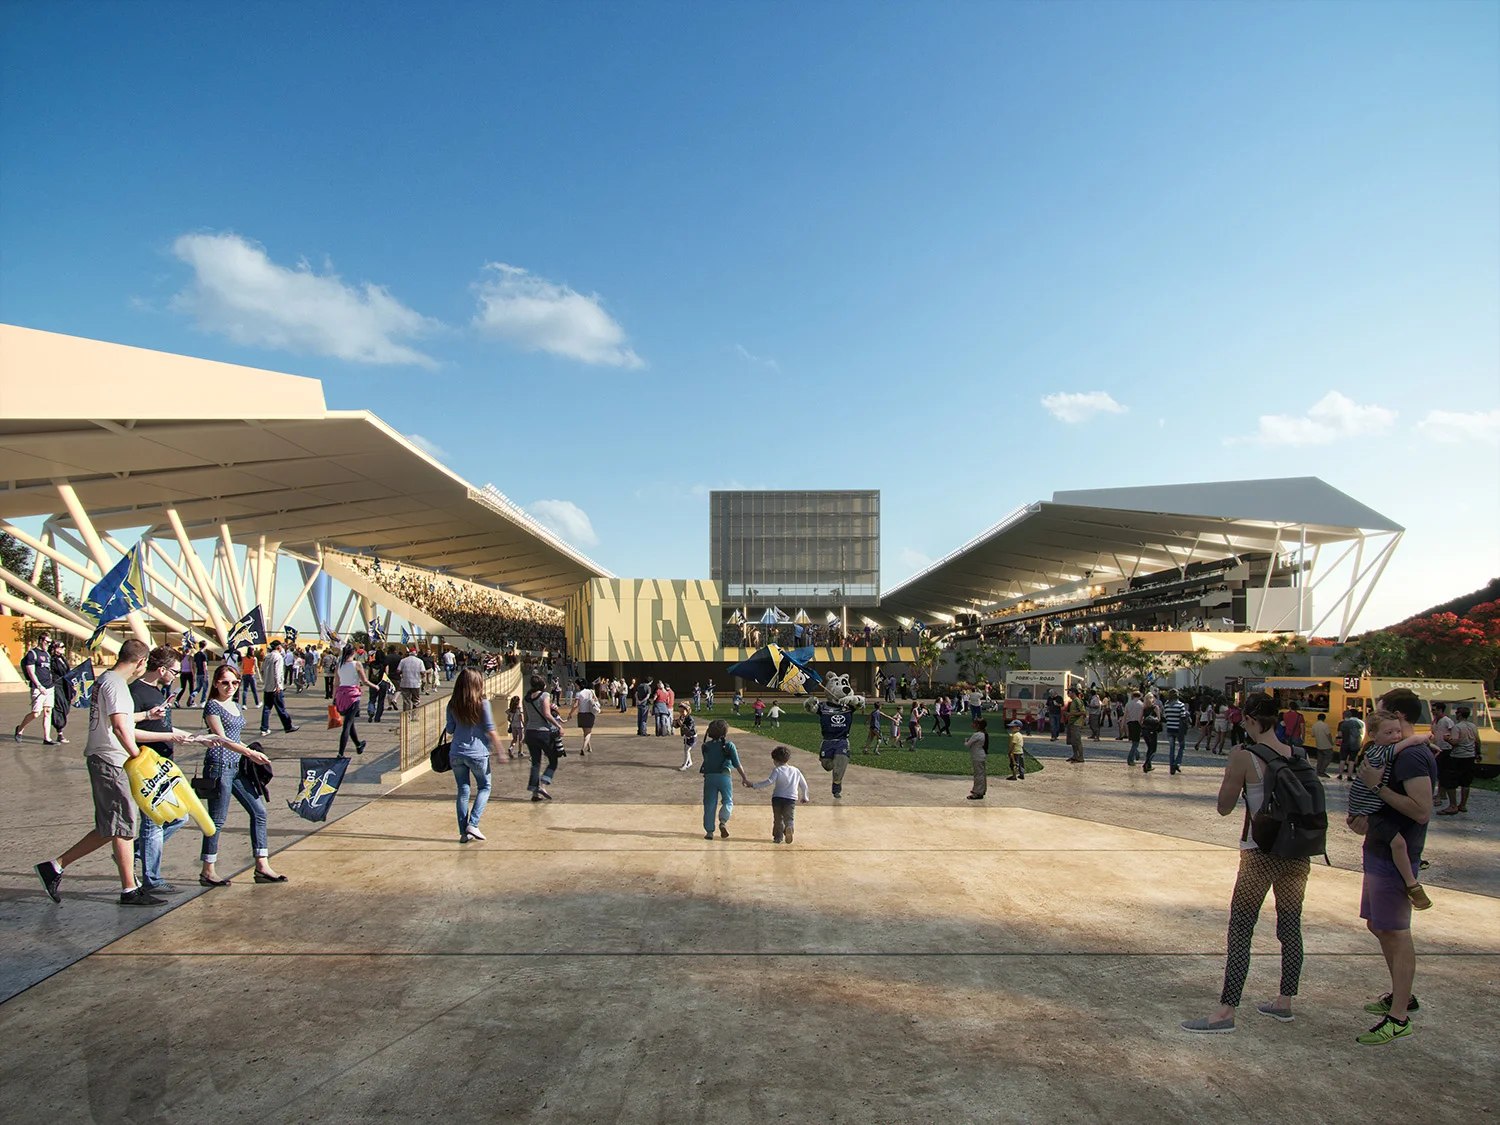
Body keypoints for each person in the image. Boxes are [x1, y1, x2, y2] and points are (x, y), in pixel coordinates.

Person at [1181, 692, 1309, 1034]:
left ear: (1250, 720)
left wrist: (1234, 782)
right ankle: (1285, 1001)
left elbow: (1224, 807)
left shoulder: (1244, 757)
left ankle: (1226, 1011)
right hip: (1297, 852)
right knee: (1290, 925)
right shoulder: (1297, 753)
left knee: (1241, 927)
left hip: (1259, 853)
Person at [34, 639, 189, 907]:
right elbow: (119, 728)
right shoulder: (117, 685)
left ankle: (54, 867)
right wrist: (137, 756)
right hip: (110, 760)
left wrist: (146, 715)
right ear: (141, 663)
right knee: (125, 825)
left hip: (104, 758)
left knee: (111, 826)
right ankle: (129, 889)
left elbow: (121, 719)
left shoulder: (107, 680)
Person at [1353, 688, 1438, 1045]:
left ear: (1399, 717)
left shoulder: (1412, 757)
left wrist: (1378, 789)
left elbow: (1421, 811)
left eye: (1383, 713)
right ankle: (1402, 995)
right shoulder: (1396, 752)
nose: (1377, 720)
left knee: (1397, 931)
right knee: (1380, 925)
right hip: (1380, 849)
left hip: (1394, 856)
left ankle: (1399, 1016)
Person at [199, 663, 284, 885]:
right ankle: (208, 869)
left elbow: (235, 738)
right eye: (225, 682)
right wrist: (249, 752)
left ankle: (262, 865)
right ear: (216, 683)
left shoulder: (236, 705)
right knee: (216, 820)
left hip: (238, 767)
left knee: (259, 812)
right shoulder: (212, 706)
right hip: (219, 766)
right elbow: (222, 739)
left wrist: (252, 752)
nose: (230, 687)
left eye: (235, 682)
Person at [1345, 710, 1431, 909]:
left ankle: (1411, 883)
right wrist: (1420, 738)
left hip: (1369, 810)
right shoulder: (1377, 752)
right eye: (1389, 733)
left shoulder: (1381, 749)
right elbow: (1400, 748)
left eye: (1398, 732)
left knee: (1398, 843)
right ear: (1373, 735)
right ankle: (1412, 885)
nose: (1396, 737)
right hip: (1365, 811)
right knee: (1398, 843)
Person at [131, 646, 191, 895]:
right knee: (153, 823)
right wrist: (168, 733)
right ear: (162, 669)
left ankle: (134, 851)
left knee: (180, 816)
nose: (177, 676)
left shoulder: (157, 691)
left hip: (163, 763)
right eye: (175, 671)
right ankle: (152, 878)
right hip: (147, 764)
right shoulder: (135, 691)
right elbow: (123, 723)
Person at [445, 669, 502, 843]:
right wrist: (500, 750)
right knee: (484, 787)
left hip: (456, 753)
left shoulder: (452, 704)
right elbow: (490, 728)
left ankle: (464, 832)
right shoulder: (482, 703)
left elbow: (450, 730)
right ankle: (473, 824)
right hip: (478, 753)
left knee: (463, 790)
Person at [698, 719, 751, 839]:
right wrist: (744, 778)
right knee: (727, 800)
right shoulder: (729, 745)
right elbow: (737, 764)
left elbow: (707, 761)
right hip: (724, 776)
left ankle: (709, 831)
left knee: (709, 804)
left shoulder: (705, 746)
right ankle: (723, 821)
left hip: (709, 777)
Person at [750, 746, 810, 843]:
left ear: (775, 760)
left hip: (777, 798)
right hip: (790, 798)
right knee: (789, 818)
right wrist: (805, 796)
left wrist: (754, 785)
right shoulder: (795, 770)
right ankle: (789, 828)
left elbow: (769, 781)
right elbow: (803, 784)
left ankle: (778, 837)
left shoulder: (777, 770)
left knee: (778, 818)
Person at [523, 674, 566, 801]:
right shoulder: (545, 695)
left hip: (531, 732)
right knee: (553, 760)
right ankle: (543, 783)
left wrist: (525, 734)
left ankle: (534, 793)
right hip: (543, 733)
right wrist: (559, 725)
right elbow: (547, 714)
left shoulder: (526, 699)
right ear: (543, 685)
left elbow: (526, 719)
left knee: (536, 763)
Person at [15, 630, 57, 744]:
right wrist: (39, 686)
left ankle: (47, 738)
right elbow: (31, 672)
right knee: (35, 713)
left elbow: (48, 671)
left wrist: (51, 683)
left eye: (50, 642)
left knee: (48, 711)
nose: (48, 645)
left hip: (49, 687)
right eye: (47, 642)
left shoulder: (47, 654)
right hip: (38, 688)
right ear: (41, 641)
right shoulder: (32, 654)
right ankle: (20, 729)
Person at [1438, 705, 1479, 815]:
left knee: (1451, 781)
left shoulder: (1458, 727)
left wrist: (1447, 739)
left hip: (1458, 756)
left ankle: (1452, 806)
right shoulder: (1473, 726)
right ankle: (1463, 805)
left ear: (1459, 714)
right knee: (1466, 782)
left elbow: (1455, 742)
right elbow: (1477, 741)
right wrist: (1477, 753)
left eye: (1456, 713)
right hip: (1470, 756)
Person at [334, 644, 370, 756]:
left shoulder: (339, 665)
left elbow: (336, 684)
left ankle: (358, 745)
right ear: (353, 653)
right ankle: (340, 753)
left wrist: (334, 698)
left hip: (341, 696)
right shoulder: (356, 664)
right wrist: (374, 686)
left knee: (350, 722)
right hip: (352, 697)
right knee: (347, 726)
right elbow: (364, 681)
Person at [257, 640, 298, 736]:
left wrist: (265, 681)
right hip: (275, 687)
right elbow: (277, 673)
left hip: (267, 686)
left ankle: (264, 728)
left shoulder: (267, 657)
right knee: (281, 708)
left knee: (267, 708)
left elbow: (262, 670)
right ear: (278, 647)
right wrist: (278, 685)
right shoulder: (278, 657)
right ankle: (288, 726)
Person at [48, 640, 73, 744]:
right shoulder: (52, 660)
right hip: (57, 686)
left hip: (65, 686)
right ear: (56, 649)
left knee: (66, 707)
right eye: (62, 647)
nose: (64, 649)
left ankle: (60, 729)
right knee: (59, 707)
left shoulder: (62, 658)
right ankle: (60, 732)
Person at [568, 679, 600, 756]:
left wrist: (570, 713)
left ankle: (589, 747)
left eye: (577, 685)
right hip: (590, 713)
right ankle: (583, 747)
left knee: (585, 732)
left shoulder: (579, 694)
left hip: (581, 714)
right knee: (588, 732)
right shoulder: (591, 691)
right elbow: (596, 700)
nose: (576, 687)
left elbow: (575, 705)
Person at [1161, 689, 1190, 774]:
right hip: (1178, 729)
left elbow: (1166, 717)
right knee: (1182, 746)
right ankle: (1177, 762)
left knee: (1171, 749)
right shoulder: (1181, 705)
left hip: (1169, 728)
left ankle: (1171, 769)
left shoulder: (1166, 705)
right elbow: (1183, 717)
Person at [1336, 707, 1365, 781]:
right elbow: (1361, 733)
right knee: (1352, 760)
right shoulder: (1359, 723)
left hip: (1345, 743)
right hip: (1355, 744)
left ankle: (1340, 775)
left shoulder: (1342, 723)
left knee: (1342, 759)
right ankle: (1349, 776)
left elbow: (1340, 734)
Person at [965, 718, 989, 800]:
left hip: (977, 756)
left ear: (978, 725)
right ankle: (982, 790)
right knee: (981, 774)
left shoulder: (977, 735)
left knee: (978, 774)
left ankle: (977, 792)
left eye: (974, 723)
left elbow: (967, 745)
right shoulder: (983, 734)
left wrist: (965, 741)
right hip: (981, 755)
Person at [397, 646, 425, 711]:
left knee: (406, 700)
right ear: (416, 654)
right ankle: (414, 713)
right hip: (416, 683)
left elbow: (398, 670)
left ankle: (407, 715)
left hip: (405, 683)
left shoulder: (403, 661)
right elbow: (423, 672)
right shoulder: (420, 661)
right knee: (416, 699)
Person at [1064, 686, 1087, 763]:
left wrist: (1071, 714)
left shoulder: (1078, 701)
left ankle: (1080, 757)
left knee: (1077, 741)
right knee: (1073, 741)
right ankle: (1075, 756)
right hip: (1071, 723)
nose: (1068, 694)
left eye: (1069, 692)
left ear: (1073, 693)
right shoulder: (1072, 701)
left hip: (1076, 723)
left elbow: (1083, 712)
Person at [1310, 712, 1335, 777]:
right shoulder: (1325, 725)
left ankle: (1318, 771)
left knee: (1320, 759)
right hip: (1326, 745)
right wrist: (1331, 742)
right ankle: (1322, 771)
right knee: (1328, 758)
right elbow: (1328, 735)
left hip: (1319, 745)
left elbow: (1313, 735)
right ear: (1324, 718)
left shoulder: (1314, 725)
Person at [1124, 690, 1145, 765]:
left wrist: (1123, 725)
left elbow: (1125, 715)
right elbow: (1142, 717)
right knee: (1136, 742)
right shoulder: (1142, 705)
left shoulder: (1128, 704)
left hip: (1130, 723)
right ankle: (1130, 759)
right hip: (1137, 724)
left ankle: (1137, 754)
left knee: (1134, 741)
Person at [675, 702, 698, 770]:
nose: (681, 713)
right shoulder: (682, 717)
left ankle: (685, 764)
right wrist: (676, 724)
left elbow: (688, 728)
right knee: (686, 750)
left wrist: (681, 724)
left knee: (687, 750)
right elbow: (679, 725)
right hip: (686, 736)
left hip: (692, 736)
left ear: (687, 711)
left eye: (682, 711)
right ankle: (689, 762)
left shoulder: (690, 718)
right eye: (680, 712)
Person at [505, 695, 525, 759]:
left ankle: (511, 748)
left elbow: (508, 718)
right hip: (520, 725)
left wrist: (512, 722)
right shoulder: (519, 709)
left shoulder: (510, 710)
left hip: (513, 725)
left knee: (514, 739)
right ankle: (520, 752)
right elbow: (521, 718)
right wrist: (525, 725)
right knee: (521, 739)